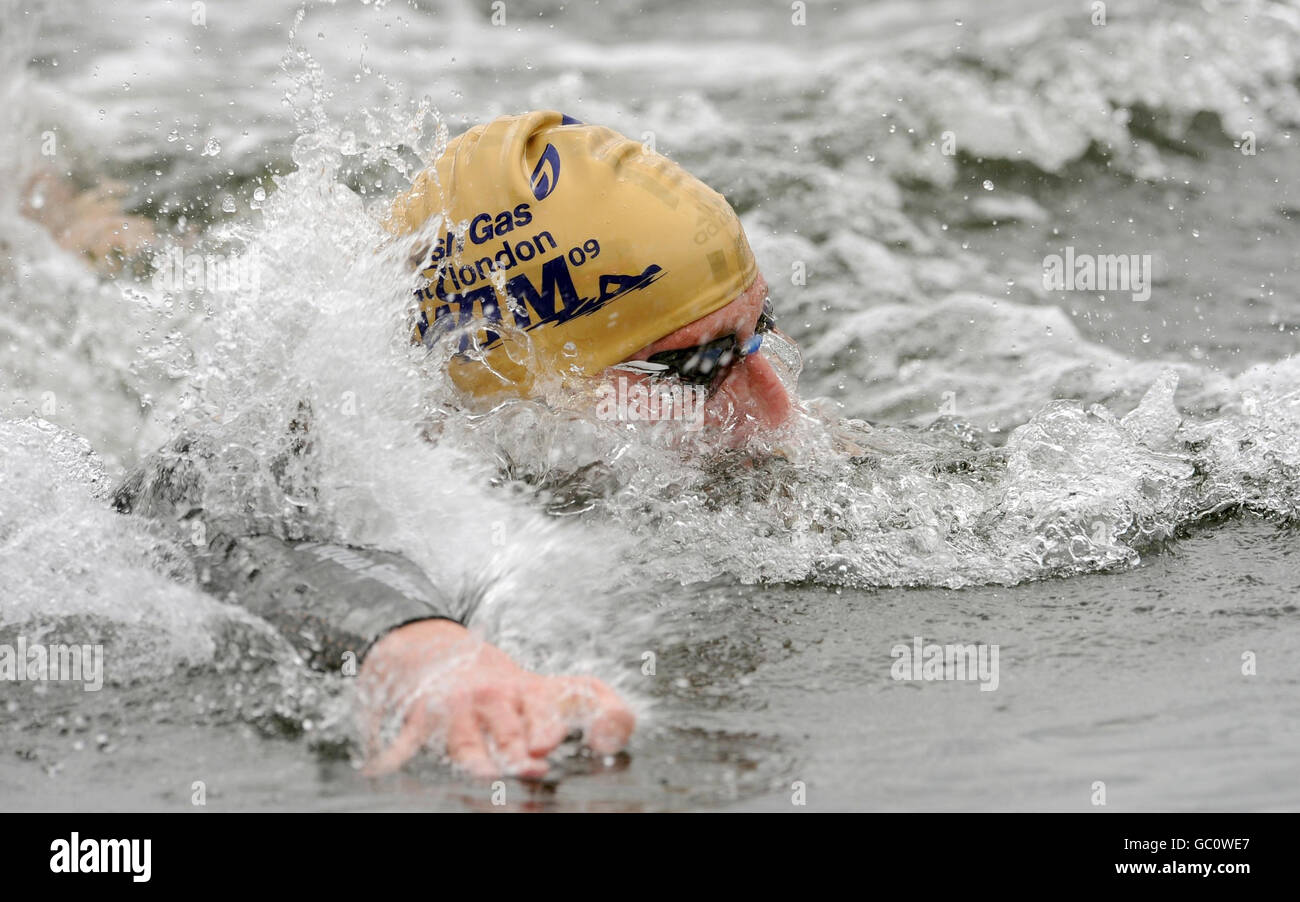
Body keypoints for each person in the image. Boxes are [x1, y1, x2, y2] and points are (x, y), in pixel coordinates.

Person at [112, 110, 799, 779]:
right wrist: (422, 647)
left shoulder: (755, 435)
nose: (779, 412)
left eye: (759, 328)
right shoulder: (327, 452)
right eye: (695, 368)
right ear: (502, 374)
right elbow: (198, 511)